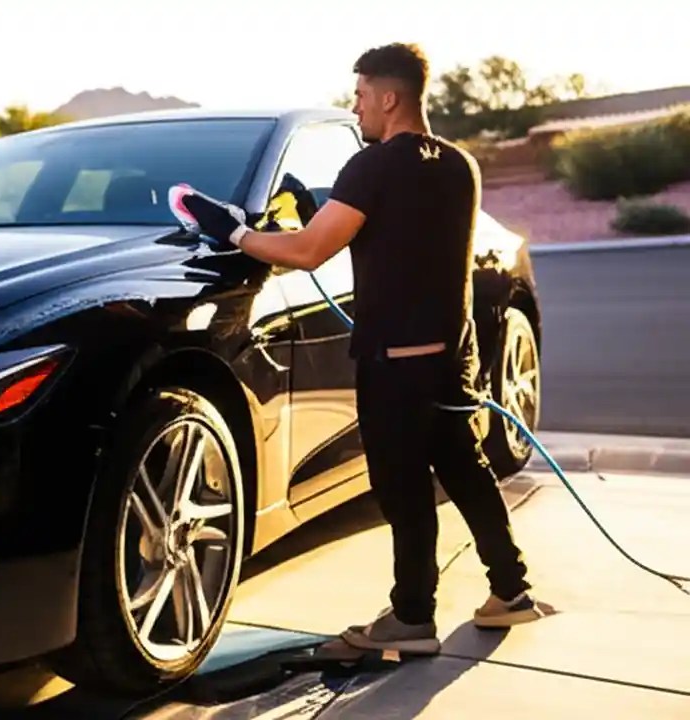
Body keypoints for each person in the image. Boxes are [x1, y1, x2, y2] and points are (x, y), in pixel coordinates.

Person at [180, 42, 546, 655]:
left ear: (388, 96)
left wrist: (234, 231)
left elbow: (307, 253)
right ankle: (511, 592)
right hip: (451, 359)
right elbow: (402, 231)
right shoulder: (459, 165)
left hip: (395, 365)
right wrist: (318, 208)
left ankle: (411, 618)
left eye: (359, 96)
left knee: (403, 490)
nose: (355, 109)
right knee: (465, 469)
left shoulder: (372, 166)